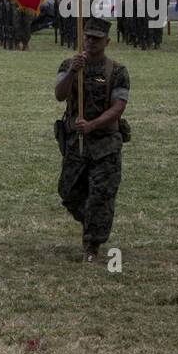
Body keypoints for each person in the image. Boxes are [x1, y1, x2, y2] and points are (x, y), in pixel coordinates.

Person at [54, 17, 129, 263]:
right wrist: (72, 72)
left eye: (96, 38)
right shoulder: (69, 64)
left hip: (105, 144)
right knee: (68, 191)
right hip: (76, 143)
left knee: (101, 195)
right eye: (87, 37)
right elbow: (59, 95)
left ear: (107, 41)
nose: (90, 42)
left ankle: (92, 244)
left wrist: (93, 125)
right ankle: (92, 222)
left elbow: (118, 108)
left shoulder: (116, 71)